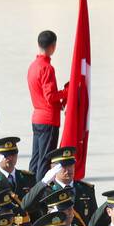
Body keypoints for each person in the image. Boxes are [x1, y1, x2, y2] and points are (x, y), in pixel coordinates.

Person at [27, 30, 70, 181]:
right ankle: (39, 195)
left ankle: (29, 190)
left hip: (37, 118)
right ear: (53, 46)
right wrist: (67, 92)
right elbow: (50, 96)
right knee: (45, 161)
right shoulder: (47, 68)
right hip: (48, 120)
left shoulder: (33, 66)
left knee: (36, 158)